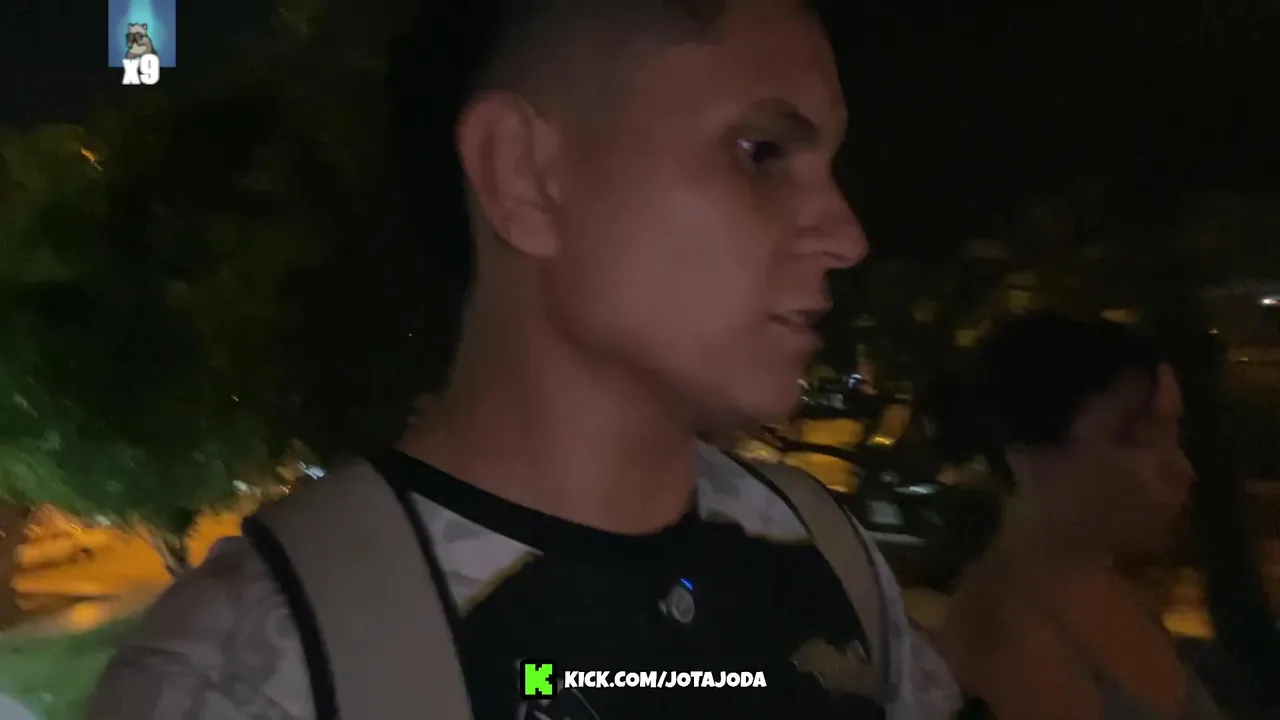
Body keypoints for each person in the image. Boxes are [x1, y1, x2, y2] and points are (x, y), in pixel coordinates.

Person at [86, 1, 957, 718]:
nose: (846, 235)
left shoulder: (829, 558)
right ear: (524, 175)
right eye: (761, 153)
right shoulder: (248, 675)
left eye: (830, 167)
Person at [936, 312, 1223, 719]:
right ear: (1025, 455)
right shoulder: (1010, 643)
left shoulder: (1111, 589)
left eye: (1174, 436)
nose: (1181, 468)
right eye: (1135, 438)